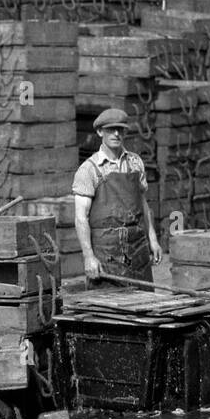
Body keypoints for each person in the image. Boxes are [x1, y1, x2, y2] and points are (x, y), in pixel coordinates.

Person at [73, 108, 162, 287]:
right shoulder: (89, 169)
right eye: (110, 130)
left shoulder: (135, 163)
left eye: (120, 130)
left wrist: (152, 240)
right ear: (100, 132)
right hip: (106, 253)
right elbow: (81, 218)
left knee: (144, 307)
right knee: (108, 310)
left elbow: (143, 205)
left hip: (137, 249)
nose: (116, 134)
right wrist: (88, 257)